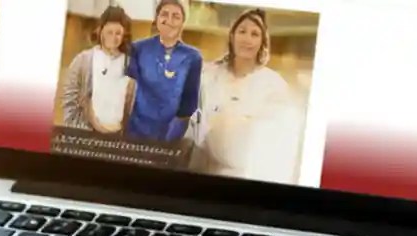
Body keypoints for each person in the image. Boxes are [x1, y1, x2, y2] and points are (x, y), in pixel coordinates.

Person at [192, 8, 303, 183]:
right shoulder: (208, 75)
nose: (247, 39)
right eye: (242, 31)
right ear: (232, 36)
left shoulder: (273, 84)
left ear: (262, 42)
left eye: (255, 34)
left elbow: (277, 141)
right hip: (203, 172)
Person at [124, 0, 201, 143]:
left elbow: (188, 105)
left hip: (169, 135)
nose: (169, 20)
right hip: (135, 131)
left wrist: (171, 138)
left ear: (183, 22)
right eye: (164, 14)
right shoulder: (138, 48)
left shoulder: (193, 57)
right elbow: (127, 93)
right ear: (157, 19)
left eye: (176, 16)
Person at [59, 6, 134, 134]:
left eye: (118, 33)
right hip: (86, 134)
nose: (113, 37)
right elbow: (69, 100)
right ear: (101, 31)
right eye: (110, 32)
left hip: (118, 137)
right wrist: (79, 131)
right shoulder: (83, 60)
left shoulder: (130, 63)